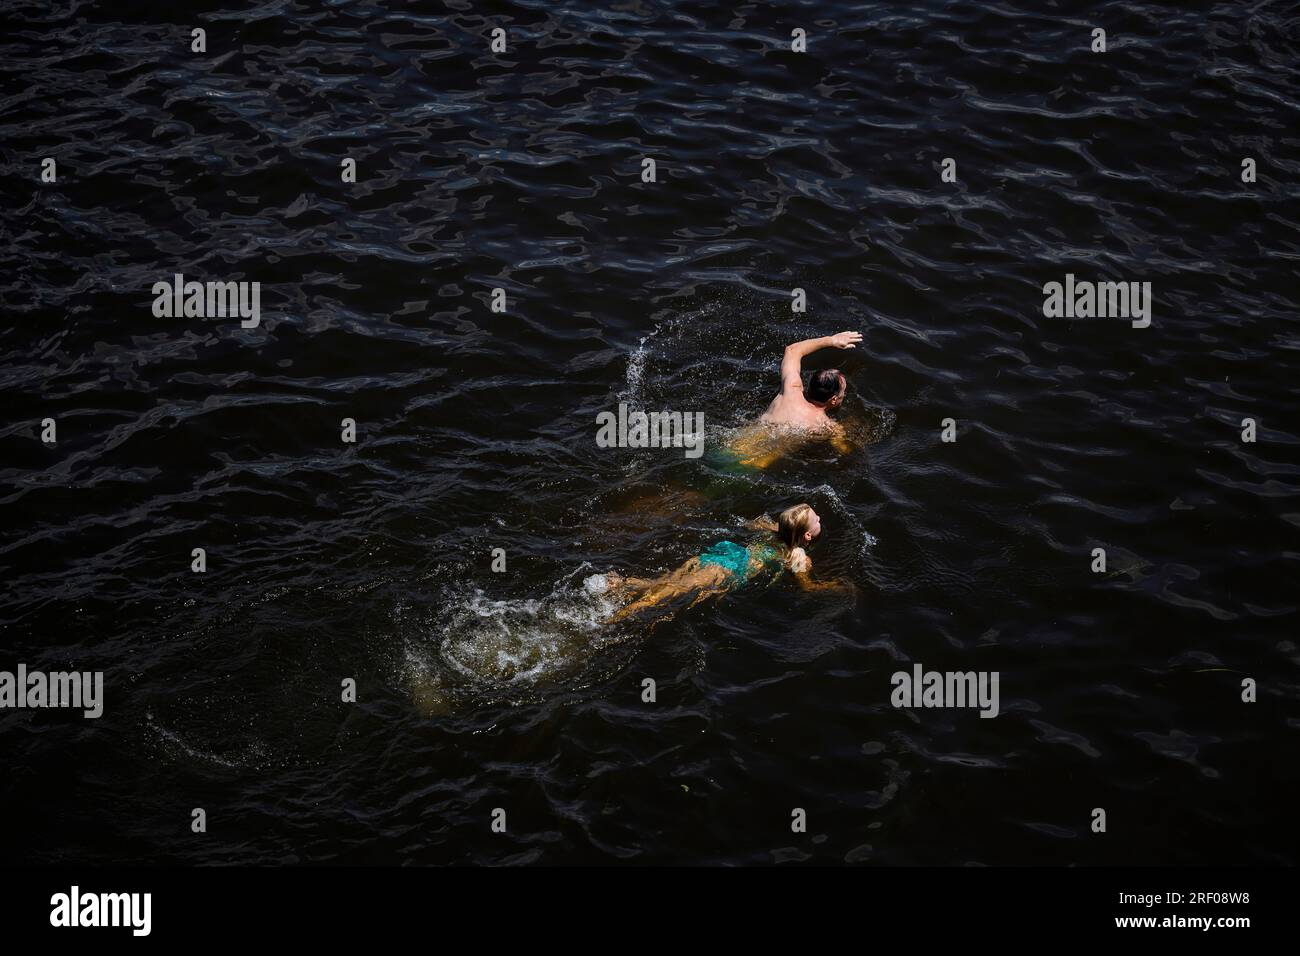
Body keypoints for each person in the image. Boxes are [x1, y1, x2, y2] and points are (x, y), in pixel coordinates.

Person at [593, 503, 847, 624]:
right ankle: (611, 620)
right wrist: (836, 588)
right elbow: (808, 587)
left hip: (724, 554)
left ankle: (622, 584)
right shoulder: (798, 556)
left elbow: (754, 522)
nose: (821, 517)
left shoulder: (772, 532)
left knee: (670, 583)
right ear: (808, 536)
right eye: (817, 519)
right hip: (730, 570)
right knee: (668, 593)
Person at [725, 331, 863, 468]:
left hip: (731, 445)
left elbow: (792, 350)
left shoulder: (790, 389)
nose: (844, 394)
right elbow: (845, 451)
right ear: (833, 400)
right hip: (748, 465)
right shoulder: (825, 426)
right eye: (843, 391)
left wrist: (831, 340)